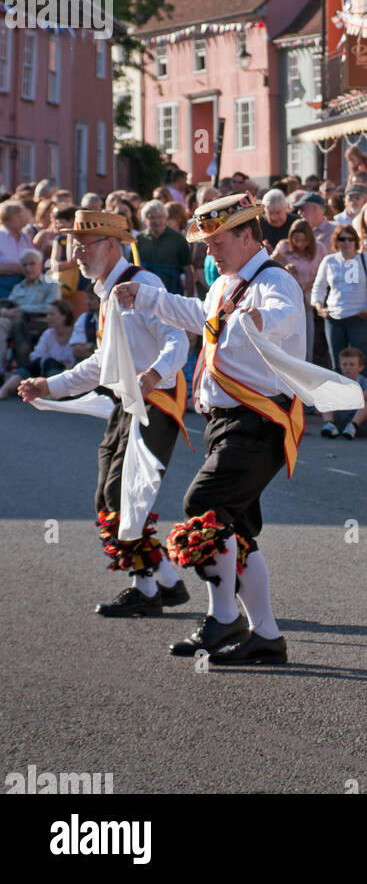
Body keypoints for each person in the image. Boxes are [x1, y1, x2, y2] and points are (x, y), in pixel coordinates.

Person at [114, 193, 307, 664]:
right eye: (206, 243)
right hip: (226, 421)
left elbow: (285, 315)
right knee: (236, 527)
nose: (210, 252)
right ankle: (266, 634)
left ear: (247, 235)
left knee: (204, 505)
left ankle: (224, 619)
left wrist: (263, 318)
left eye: (218, 241)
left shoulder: (273, 280)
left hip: (261, 419)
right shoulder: (225, 284)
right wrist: (148, 298)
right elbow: (202, 317)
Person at [19, 211, 190, 617]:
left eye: (84, 244)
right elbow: (102, 363)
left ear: (111, 245)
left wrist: (153, 375)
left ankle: (150, 589)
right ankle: (163, 582)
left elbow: (177, 340)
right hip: (125, 404)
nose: (76, 252)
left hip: (155, 404)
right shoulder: (105, 289)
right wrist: (51, 386)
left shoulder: (141, 285)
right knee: (109, 495)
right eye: (73, 244)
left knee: (123, 493)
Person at [311, 223, 367, 368]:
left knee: (363, 364)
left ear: (356, 241)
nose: (347, 242)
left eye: (350, 239)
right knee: (337, 365)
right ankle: (341, 392)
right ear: (336, 242)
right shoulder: (329, 261)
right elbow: (319, 287)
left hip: (360, 316)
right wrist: (319, 307)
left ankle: (366, 391)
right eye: (342, 239)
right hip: (334, 318)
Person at [271, 218, 326, 362]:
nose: (300, 244)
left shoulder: (319, 249)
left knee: (307, 339)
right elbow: (270, 266)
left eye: (304, 240)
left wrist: (304, 286)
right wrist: (284, 267)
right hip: (288, 299)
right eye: (296, 240)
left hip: (307, 301)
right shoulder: (284, 247)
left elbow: (323, 276)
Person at [0, 248, 61, 373]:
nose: (28, 268)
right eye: (24, 265)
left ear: (41, 264)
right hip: (14, 322)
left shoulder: (51, 284)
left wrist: (21, 309)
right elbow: (9, 304)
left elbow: (51, 307)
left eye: (32, 264)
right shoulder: (18, 287)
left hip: (38, 322)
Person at [319, 346, 367, 439]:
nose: (348, 368)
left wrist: (352, 395)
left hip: (361, 426)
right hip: (340, 423)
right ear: (340, 366)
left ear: (360, 367)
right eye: (344, 364)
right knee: (326, 392)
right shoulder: (336, 380)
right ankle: (329, 424)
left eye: (352, 364)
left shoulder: (363, 381)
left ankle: (353, 426)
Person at [136, 200, 193, 296]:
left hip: (172, 292)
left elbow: (188, 270)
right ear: (145, 220)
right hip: (147, 293)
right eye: (152, 218)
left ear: (166, 218)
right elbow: (134, 268)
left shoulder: (178, 238)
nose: (157, 221)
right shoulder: (139, 239)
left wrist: (190, 297)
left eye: (160, 217)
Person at [0, 201, 34, 302]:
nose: (22, 219)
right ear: (6, 218)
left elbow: (33, 257)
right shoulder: (0, 236)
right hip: (3, 282)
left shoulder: (25, 237)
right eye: (17, 216)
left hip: (25, 282)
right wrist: (14, 268)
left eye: (22, 216)